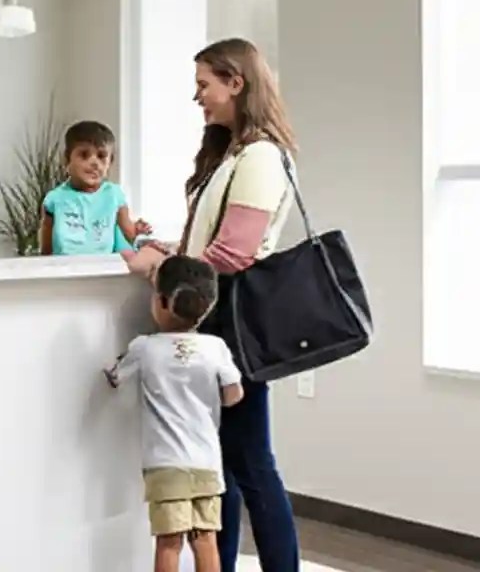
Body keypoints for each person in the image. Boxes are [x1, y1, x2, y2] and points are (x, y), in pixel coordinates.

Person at [127, 38, 301, 571]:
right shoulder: (234, 155)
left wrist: (160, 267)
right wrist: (170, 248)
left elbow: (232, 253)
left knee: (251, 464)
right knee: (223, 464)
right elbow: (213, 242)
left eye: (204, 84)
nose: (197, 96)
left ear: (236, 83)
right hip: (220, 322)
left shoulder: (261, 157)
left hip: (234, 325)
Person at [106, 255, 244, 572]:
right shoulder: (216, 347)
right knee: (206, 538)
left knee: (169, 542)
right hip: (207, 461)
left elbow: (115, 378)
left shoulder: (144, 348)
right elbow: (234, 394)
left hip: (165, 465)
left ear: (162, 301)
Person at [39, 121, 151, 256]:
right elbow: (46, 250)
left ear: (110, 162)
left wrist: (138, 230)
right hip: (65, 266)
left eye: (101, 156)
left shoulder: (114, 195)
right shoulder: (54, 199)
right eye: (84, 155)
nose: (94, 163)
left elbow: (130, 234)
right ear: (67, 159)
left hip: (101, 266)